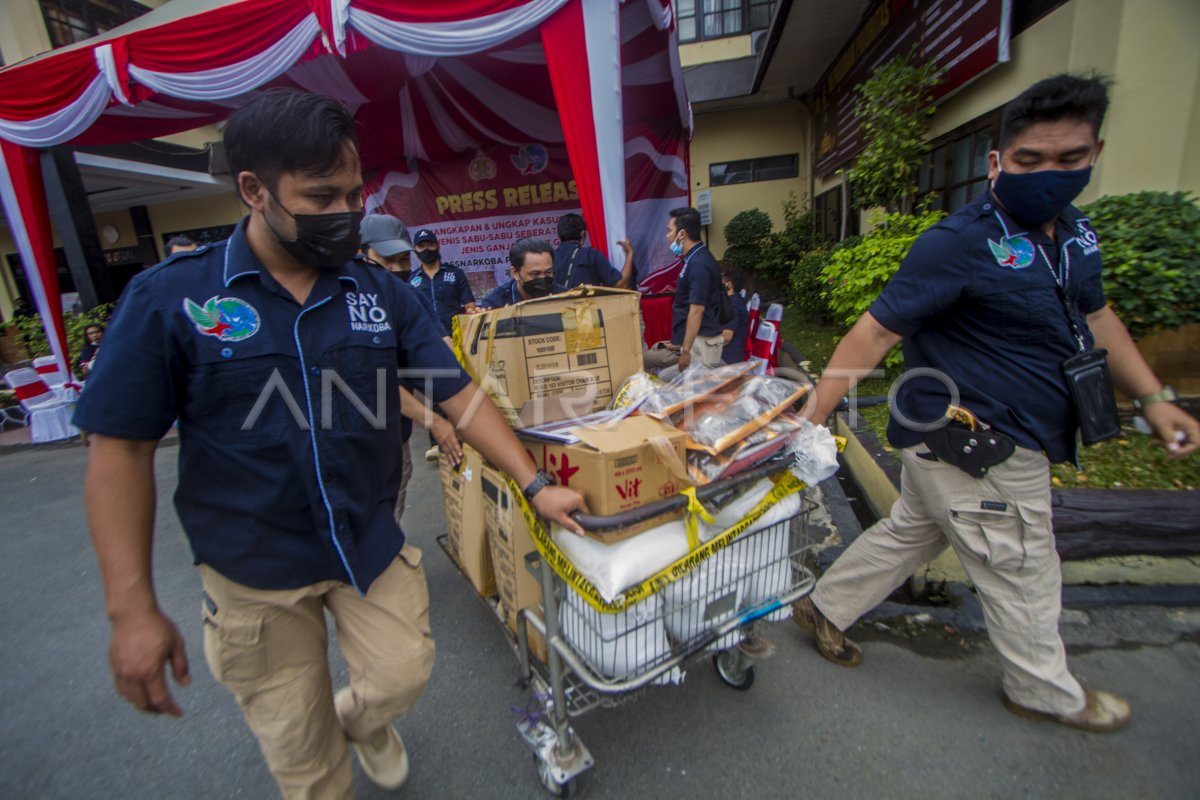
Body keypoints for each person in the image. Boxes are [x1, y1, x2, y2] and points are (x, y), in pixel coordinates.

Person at [73, 89, 586, 800]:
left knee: (403, 674)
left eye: (353, 192)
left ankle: (359, 718)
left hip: (367, 541)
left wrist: (534, 482)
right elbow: (119, 449)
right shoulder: (173, 299)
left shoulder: (379, 292)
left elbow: (458, 393)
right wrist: (130, 610)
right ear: (253, 190)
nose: (345, 213)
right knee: (305, 761)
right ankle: (323, 754)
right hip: (253, 572)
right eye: (321, 197)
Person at [792, 74, 1199, 734]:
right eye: (1030, 159)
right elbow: (874, 331)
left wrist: (1152, 396)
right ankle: (1042, 689)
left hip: (959, 445)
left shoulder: (1076, 235)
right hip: (979, 444)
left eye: (1069, 160)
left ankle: (825, 606)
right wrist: (815, 413)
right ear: (995, 163)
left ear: (1095, 153)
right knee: (1022, 570)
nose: (1049, 174)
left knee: (913, 532)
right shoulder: (958, 243)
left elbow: (1098, 318)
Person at [651, 207, 724, 374]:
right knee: (665, 378)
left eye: (669, 231)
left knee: (695, 397)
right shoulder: (692, 259)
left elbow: (696, 310)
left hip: (702, 344)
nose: (667, 236)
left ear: (681, 234)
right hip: (694, 342)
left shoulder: (699, 264)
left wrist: (685, 351)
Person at [407, 229, 477, 335]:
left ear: (437, 245)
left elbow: (470, 306)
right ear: (415, 250)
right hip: (425, 337)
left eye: (430, 245)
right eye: (421, 246)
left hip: (456, 335)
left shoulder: (456, 273)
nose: (426, 249)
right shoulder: (411, 280)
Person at [552, 212, 635, 289]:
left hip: (556, 305)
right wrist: (630, 253)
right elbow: (620, 285)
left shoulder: (550, 258)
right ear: (582, 233)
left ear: (559, 236)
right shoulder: (591, 255)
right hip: (588, 304)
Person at [478, 237, 562, 309]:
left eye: (548, 272)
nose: (543, 278)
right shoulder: (495, 304)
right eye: (535, 274)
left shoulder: (564, 297)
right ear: (515, 273)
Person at [360, 213, 414, 282]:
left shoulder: (413, 292)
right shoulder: (347, 290)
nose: (398, 269)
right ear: (362, 256)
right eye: (388, 259)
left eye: (404, 259)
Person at [720, 271, 750, 364]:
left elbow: (726, 337)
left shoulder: (733, 304)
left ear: (728, 285)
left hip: (726, 359)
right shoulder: (733, 300)